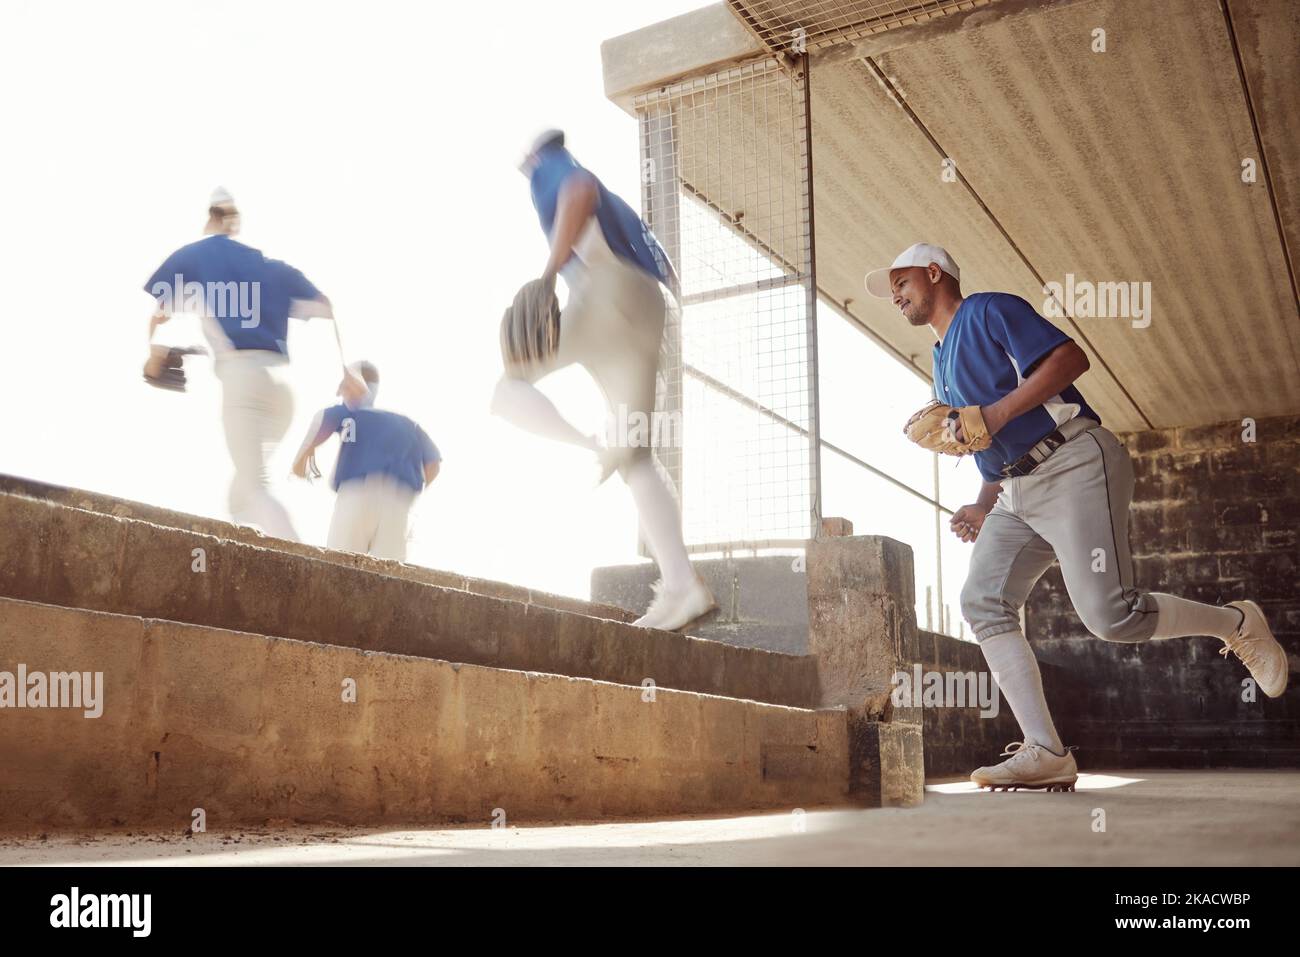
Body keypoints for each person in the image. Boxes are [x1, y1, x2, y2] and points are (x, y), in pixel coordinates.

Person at [866, 242, 1289, 791]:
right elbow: (991, 439)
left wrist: (993, 413)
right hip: (1016, 491)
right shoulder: (940, 360)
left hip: (1073, 462)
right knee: (982, 601)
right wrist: (982, 500)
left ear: (933, 272)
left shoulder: (990, 309)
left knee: (1111, 618)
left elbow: (1070, 360)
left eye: (900, 281)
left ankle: (1239, 623)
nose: (894, 295)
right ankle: (1045, 750)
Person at [492, 129, 715, 631]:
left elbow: (579, 191)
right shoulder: (599, 194)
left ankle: (590, 445)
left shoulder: (548, 168)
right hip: (645, 305)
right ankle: (683, 586)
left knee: (507, 390)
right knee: (635, 454)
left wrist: (549, 274)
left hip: (607, 290)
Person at [143, 187, 364, 540]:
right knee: (240, 496)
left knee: (256, 487)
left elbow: (160, 313)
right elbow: (327, 306)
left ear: (210, 218)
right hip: (281, 389)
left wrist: (152, 352)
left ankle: (302, 567)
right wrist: (345, 371)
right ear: (236, 222)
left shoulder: (196, 255)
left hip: (241, 380)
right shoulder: (272, 267)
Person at [292, 361, 441, 562]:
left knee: (339, 567)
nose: (340, 393)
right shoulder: (409, 424)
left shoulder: (346, 413)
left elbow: (303, 458)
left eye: (343, 386)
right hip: (399, 501)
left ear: (355, 385)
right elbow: (433, 465)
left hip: (356, 493)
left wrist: (303, 468)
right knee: (390, 578)